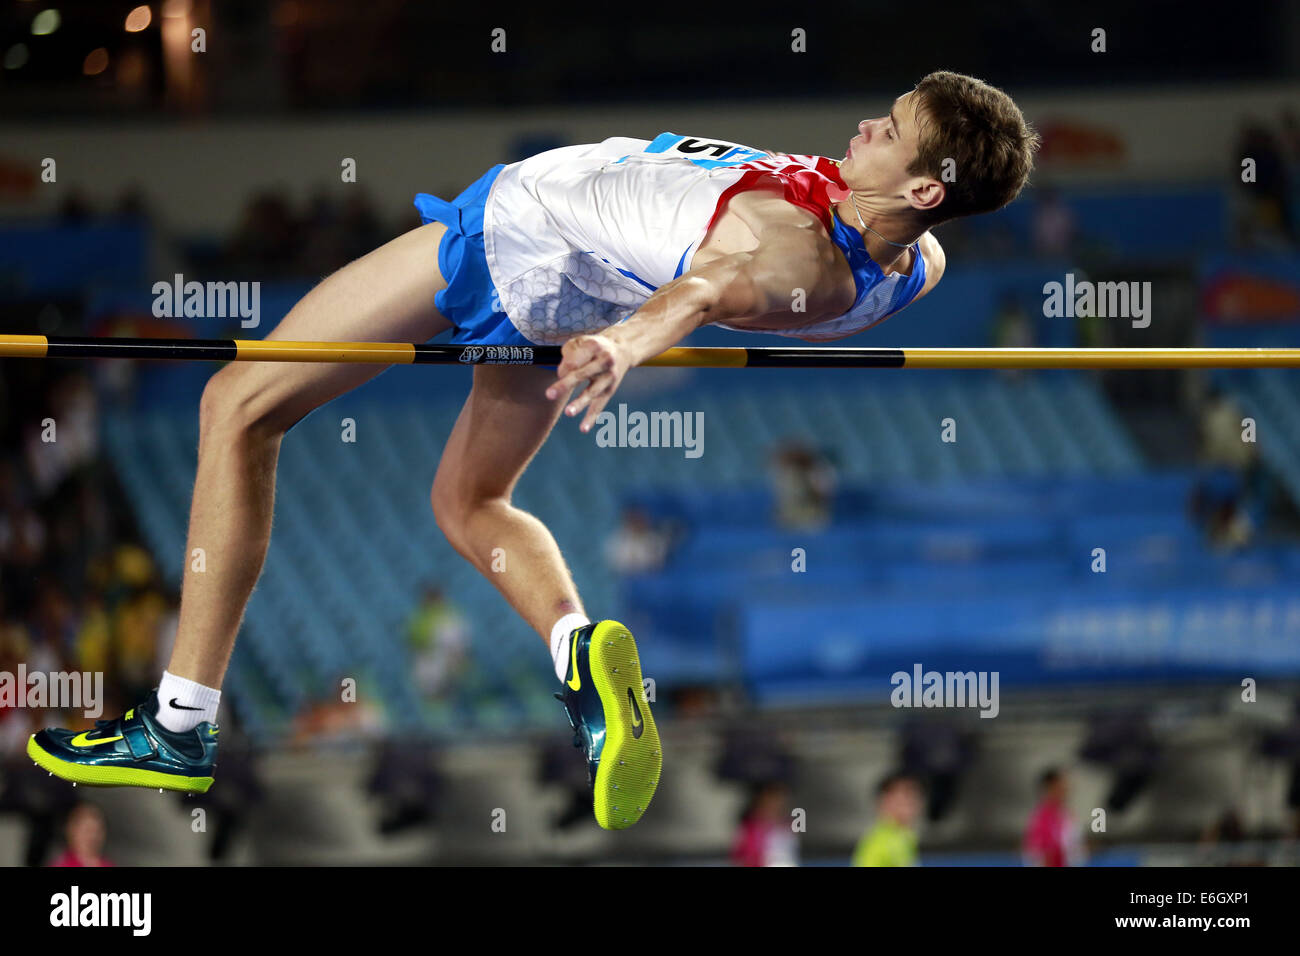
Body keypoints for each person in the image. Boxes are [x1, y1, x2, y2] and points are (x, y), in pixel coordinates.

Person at [30, 71, 1038, 831]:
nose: (866, 123)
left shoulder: (793, 257)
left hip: (522, 235)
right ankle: (578, 663)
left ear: (925, 187)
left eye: (890, 130)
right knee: (469, 503)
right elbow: (770, 268)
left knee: (235, 406)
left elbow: (716, 289)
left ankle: (179, 719)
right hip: (579, 274)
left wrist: (624, 342)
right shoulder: (922, 262)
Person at [852, 771, 922, 866]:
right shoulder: (878, 842)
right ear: (883, 801)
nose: (910, 804)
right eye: (902, 800)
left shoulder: (906, 837)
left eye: (913, 797)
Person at [1022, 767, 1083, 867]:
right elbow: (1046, 854)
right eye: (1062, 784)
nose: (1067, 788)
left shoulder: (1064, 814)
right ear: (1051, 787)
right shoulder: (1045, 817)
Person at [48, 802, 113, 867]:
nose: (93, 836)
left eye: (98, 830)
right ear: (72, 831)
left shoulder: (107, 864)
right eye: (87, 830)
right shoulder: (62, 864)